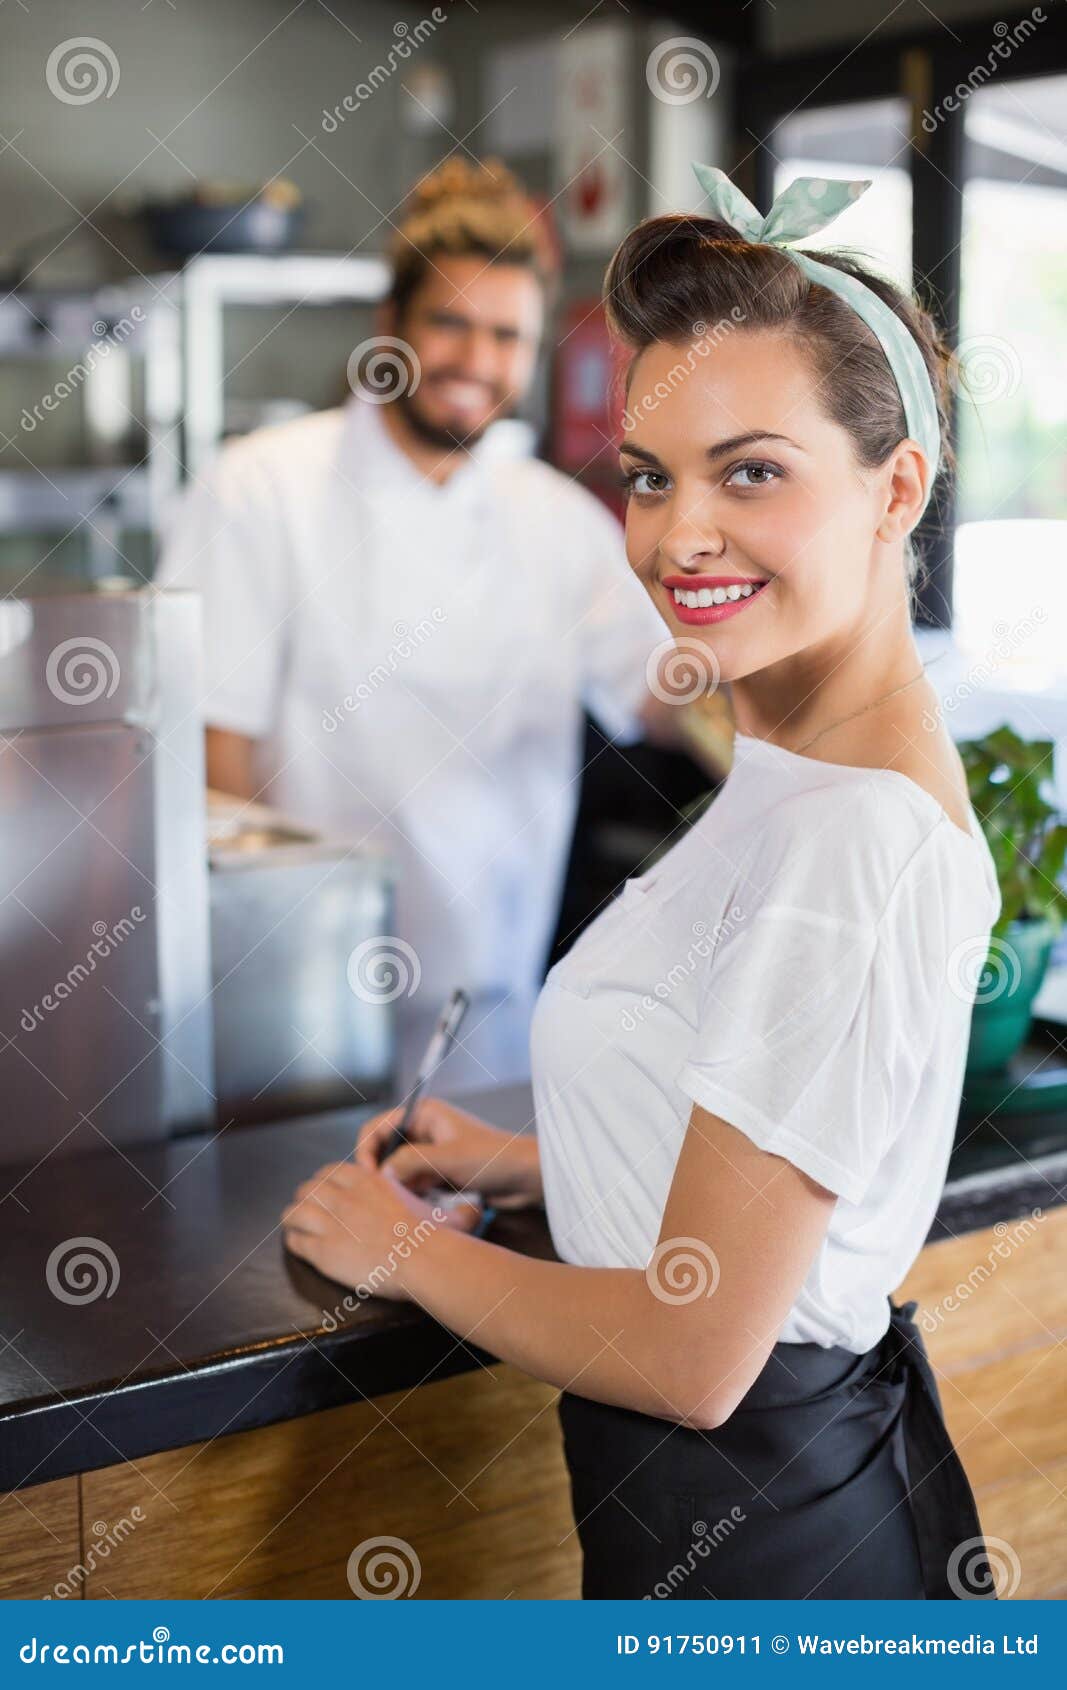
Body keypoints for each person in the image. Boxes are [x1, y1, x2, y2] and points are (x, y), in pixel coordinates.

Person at [280, 168, 1003, 1600]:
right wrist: (533, 1163)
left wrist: (405, 1252)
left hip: (774, 1559)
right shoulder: (800, 770)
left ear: (894, 486)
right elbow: (782, 1196)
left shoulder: (849, 836)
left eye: (750, 471)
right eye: (650, 475)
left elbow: (693, 1352)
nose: (676, 537)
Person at [155, 158, 684, 1084]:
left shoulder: (557, 522)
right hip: (293, 1016)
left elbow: (660, 695)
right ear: (389, 327)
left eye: (505, 336)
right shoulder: (260, 488)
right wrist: (256, 971)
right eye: (449, 323)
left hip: (493, 1012)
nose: (475, 363)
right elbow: (212, 763)